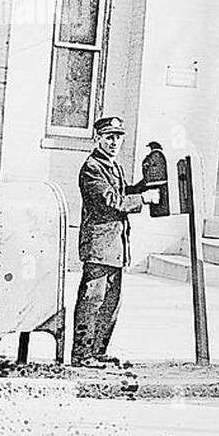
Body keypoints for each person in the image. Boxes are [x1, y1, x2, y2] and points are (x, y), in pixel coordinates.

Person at [71, 116, 160, 369]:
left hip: (115, 248)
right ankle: (81, 355)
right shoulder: (92, 168)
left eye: (118, 137)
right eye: (109, 137)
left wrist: (147, 183)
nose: (114, 142)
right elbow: (110, 200)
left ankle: (98, 352)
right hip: (99, 247)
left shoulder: (114, 167)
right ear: (97, 138)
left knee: (110, 303)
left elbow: (124, 193)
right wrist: (144, 198)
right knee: (92, 301)